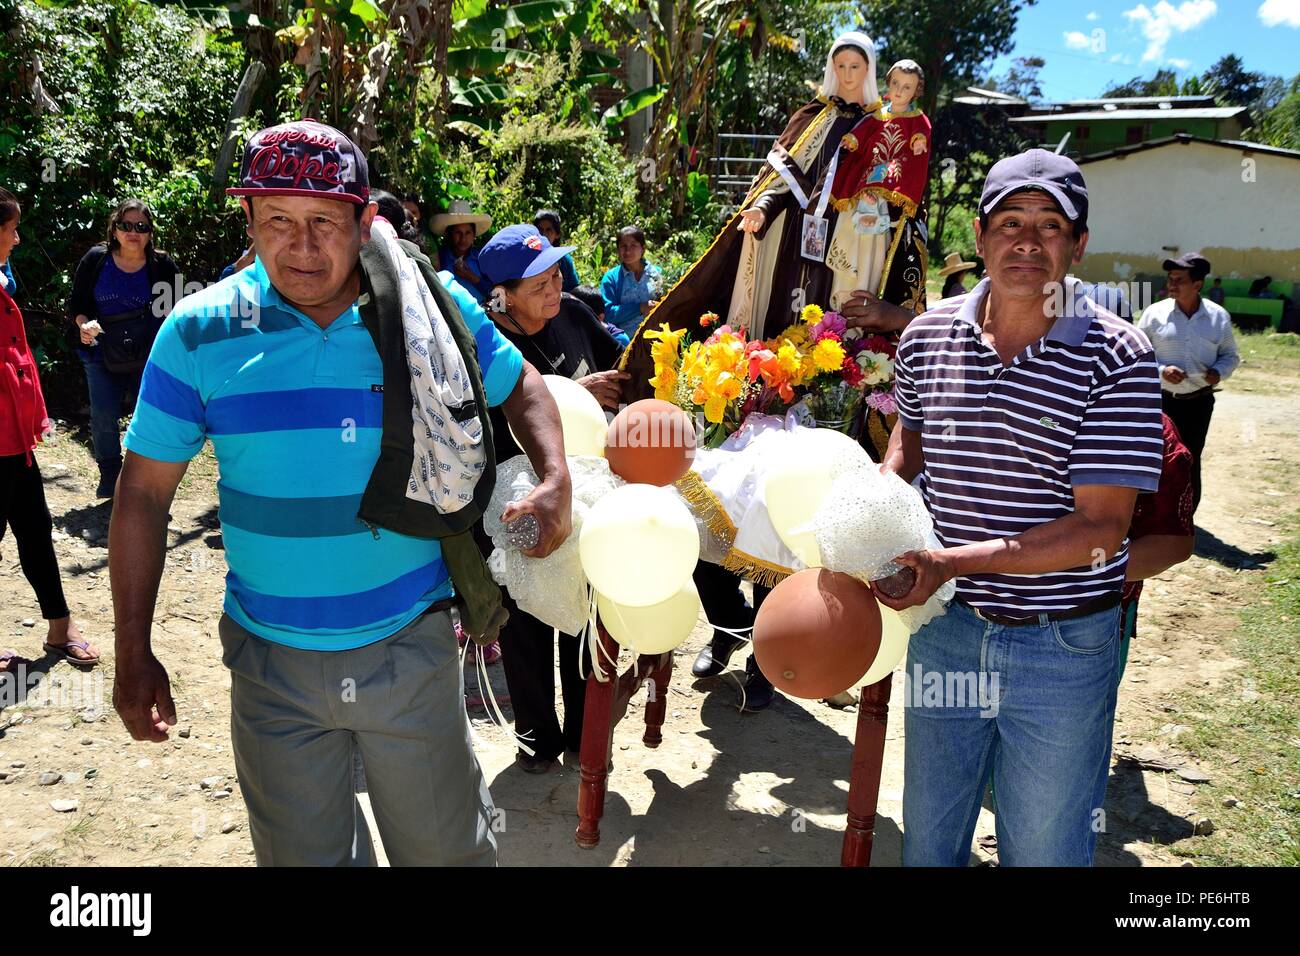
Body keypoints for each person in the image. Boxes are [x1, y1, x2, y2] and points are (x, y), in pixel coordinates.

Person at [109, 120, 573, 867]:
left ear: (364, 221)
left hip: (410, 647)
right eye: (277, 222)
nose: (300, 247)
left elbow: (520, 382)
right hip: (270, 666)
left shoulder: (426, 308)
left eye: (323, 221)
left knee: (446, 857)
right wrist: (133, 648)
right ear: (250, 223)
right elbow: (141, 497)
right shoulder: (199, 332)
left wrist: (554, 478)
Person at [879, 149, 1164, 866]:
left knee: (1043, 848)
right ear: (979, 238)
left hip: (1060, 646)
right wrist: (878, 513)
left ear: (1079, 244)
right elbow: (908, 442)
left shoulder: (1117, 355)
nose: (1027, 242)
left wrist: (947, 562)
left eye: (1049, 225)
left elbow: (1103, 526)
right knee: (931, 839)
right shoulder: (926, 335)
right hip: (946, 630)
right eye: (1009, 222)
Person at [478, 224, 627, 771]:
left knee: (585, 615)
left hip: (589, 492)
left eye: (556, 273)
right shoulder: (488, 344)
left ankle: (586, 734)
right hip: (517, 496)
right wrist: (571, 396)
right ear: (503, 296)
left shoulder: (574, 313)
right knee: (526, 618)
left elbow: (625, 360)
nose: (553, 286)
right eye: (537, 282)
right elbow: (493, 422)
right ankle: (536, 738)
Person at [1, 186, 100, 675]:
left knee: (36, 530)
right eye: (12, 230)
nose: (17, 239)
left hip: (13, 440)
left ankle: (60, 628)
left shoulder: (3, 280)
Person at [68, 200, 180, 498]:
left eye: (141, 227)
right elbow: (77, 303)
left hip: (149, 353)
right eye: (126, 225)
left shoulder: (162, 266)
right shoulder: (96, 260)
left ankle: (144, 478)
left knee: (152, 416)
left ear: (150, 232)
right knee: (103, 414)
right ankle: (110, 475)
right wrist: (84, 325)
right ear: (114, 229)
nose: (133, 232)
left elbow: (177, 311)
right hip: (101, 349)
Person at [1137, 252, 1239, 514]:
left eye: (1179, 279)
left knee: (1190, 458)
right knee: (1153, 457)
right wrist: (1161, 370)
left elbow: (1230, 355)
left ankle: (1185, 515)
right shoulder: (1154, 314)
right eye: (1170, 278)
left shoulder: (1218, 318)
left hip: (1198, 403)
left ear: (1197, 285)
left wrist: (1219, 372)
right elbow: (1138, 354)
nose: (1171, 284)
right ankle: (1150, 515)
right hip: (1159, 402)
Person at [1119, 413, 1195, 682]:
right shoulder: (982, 403)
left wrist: (1059, 579)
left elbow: (1170, 541)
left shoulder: (1148, 425)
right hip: (979, 610)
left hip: (1091, 624)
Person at [600, 225, 661, 339]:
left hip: (657, 340)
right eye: (623, 246)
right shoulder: (611, 278)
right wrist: (640, 308)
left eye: (633, 245)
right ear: (618, 249)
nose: (627, 250)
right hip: (626, 344)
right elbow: (607, 313)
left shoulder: (657, 275)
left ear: (643, 249)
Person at [433, 199, 494, 303]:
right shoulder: (440, 258)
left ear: (474, 235)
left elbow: (494, 293)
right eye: (458, 233)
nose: (463, 239)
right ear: (449, 234)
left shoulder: (481, 258)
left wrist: (473, 278)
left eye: (468, 233)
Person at [533, 209, 581, 292]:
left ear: (557, 234)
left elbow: (574, 288)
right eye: (540, 230)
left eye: (548, 230)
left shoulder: (564, 259)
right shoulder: (528, 256)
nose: (543, 234)